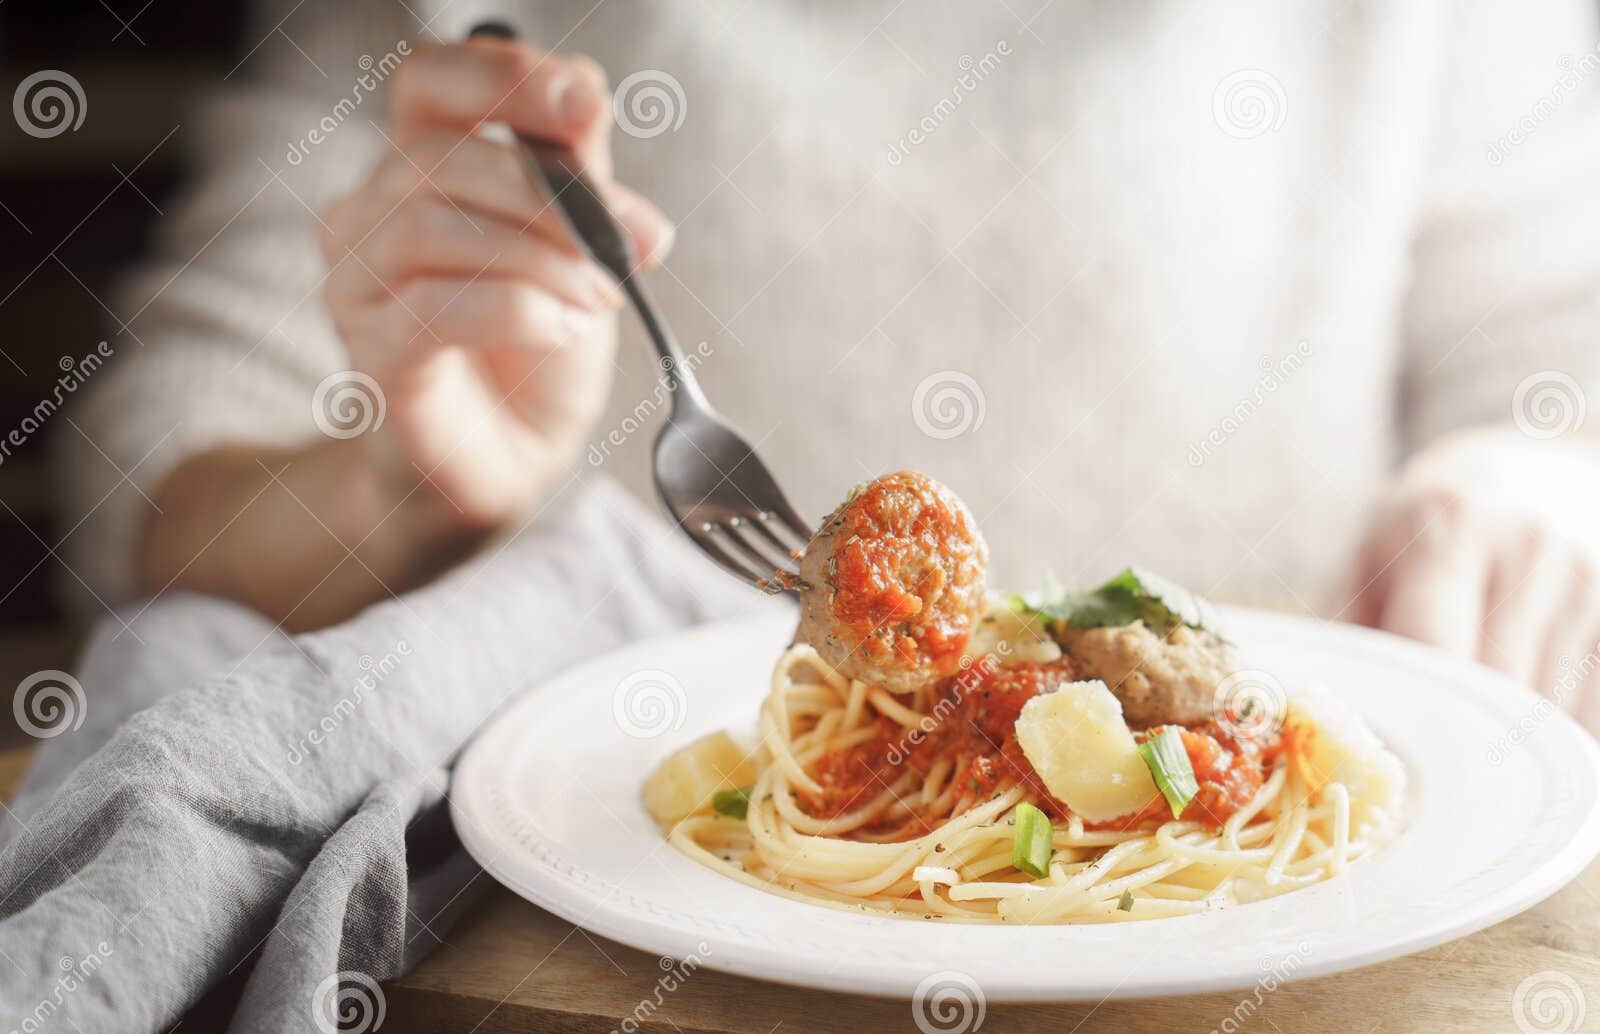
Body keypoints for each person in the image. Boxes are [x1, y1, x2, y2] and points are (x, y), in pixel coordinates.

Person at [59, 0, 1600, 725]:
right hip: (599, 937)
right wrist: (399, 478)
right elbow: (144, 503)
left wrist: (1533, 471)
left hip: (1284, 910)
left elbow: (1561, 352)